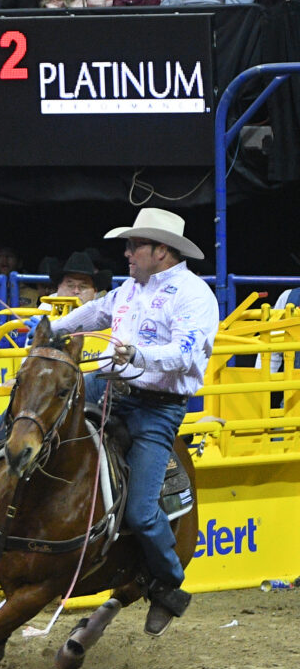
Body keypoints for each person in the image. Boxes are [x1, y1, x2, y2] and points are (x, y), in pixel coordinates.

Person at [49, 209, 220, 636]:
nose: (126, 253)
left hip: (156, 407)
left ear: (161, 251)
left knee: (143, 512)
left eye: (134, 246)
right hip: (109, 387)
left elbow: (185, 353)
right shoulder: (128, 289)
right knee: (30, 411)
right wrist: (51, 328)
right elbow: (94, 315)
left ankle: (169, 583)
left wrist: (139, 356)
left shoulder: (194, 295)